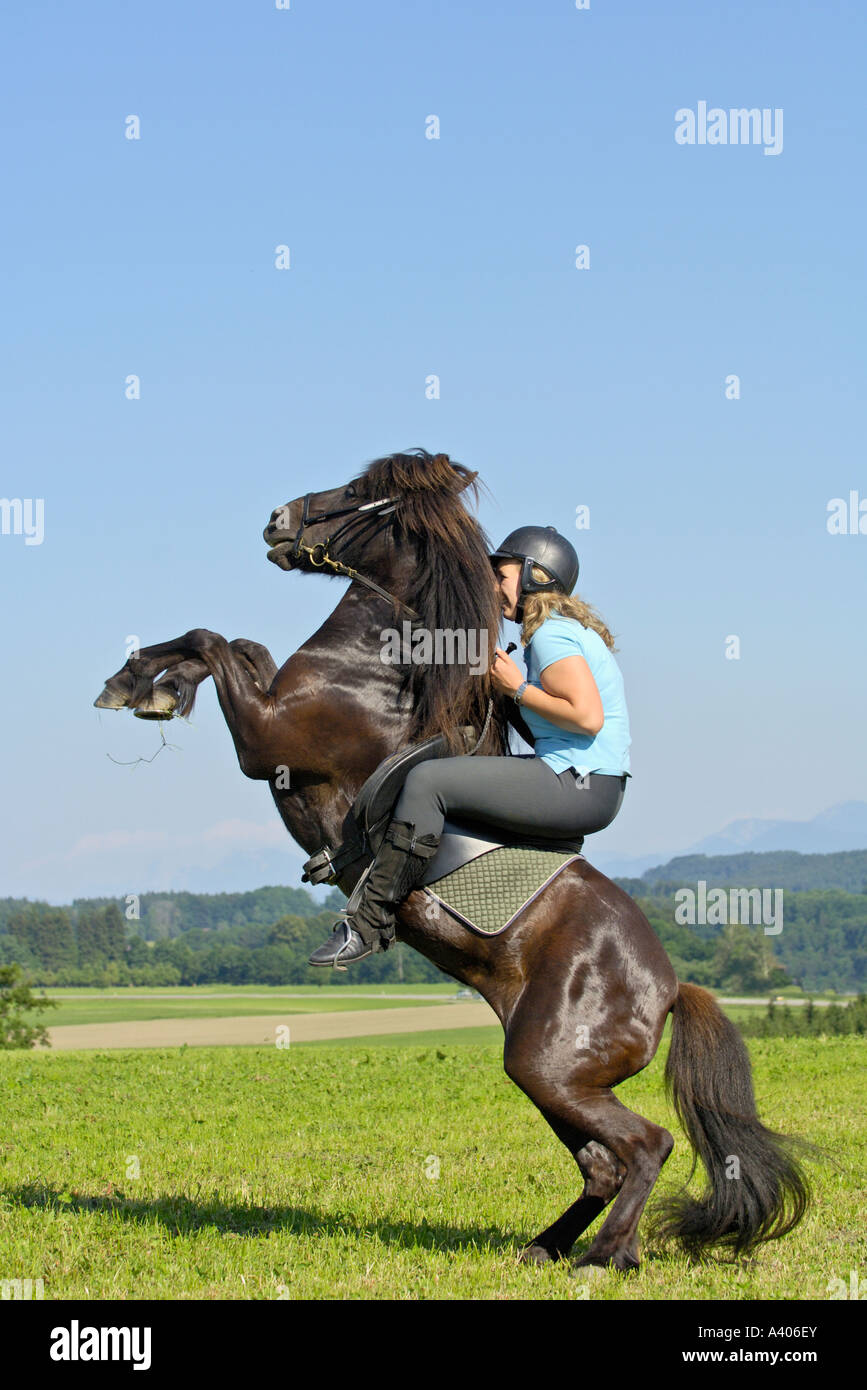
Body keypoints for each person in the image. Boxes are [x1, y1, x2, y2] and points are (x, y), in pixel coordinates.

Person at [308, 524, 631, 968]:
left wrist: (516, 688)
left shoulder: (552, 635)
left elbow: (586, 716)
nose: (495, 587)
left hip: (577, 785)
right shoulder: (561, 632)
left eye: (503, 576)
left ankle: (369, 924)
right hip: (588, 787)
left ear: (534, 577)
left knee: (429, 782)